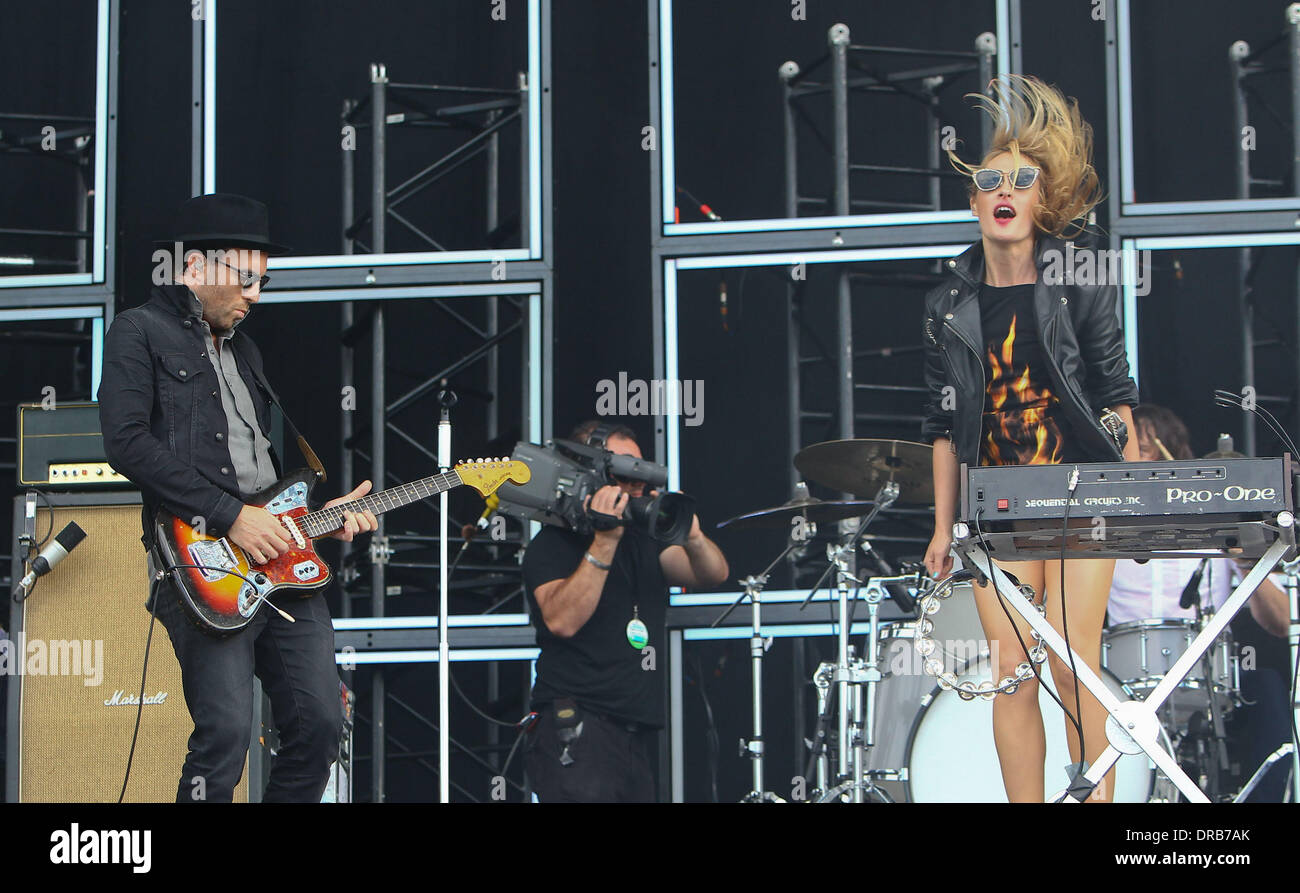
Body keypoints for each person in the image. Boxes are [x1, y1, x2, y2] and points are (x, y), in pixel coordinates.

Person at [98, 193, 378, 802]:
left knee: (321, 725)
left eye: (263, 282)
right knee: (225, 733)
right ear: (195, 268)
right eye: (246, 278)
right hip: (202, 561)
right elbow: (124, 442)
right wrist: (231, 517)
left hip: (281, 565)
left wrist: (320, 520)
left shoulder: (246, 352)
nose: (256, 294)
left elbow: (267, 481)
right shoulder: (137, 332)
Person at [922, 75, 1141, 803]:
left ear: (1040, 198)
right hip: (997, 502)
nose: (1004, 189)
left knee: (1073, 660)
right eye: (990, 179)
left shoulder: (1079, 272)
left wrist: (1134, 493)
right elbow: (943, 424)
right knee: (1011, 671)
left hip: (1081, 487)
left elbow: (1114, 390)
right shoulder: (948, 299)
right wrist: (942, 526)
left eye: (1022, 178)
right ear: (976, 198)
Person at [522, 421, 729, 802]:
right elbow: (562, 621)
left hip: (634, 731)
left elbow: (712, 574)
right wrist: (604, 540)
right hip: (578, 729)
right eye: (624, 473)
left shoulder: (643, 542)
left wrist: (693, 535)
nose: (637, 486)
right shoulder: (552, 544)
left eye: (640, 475)